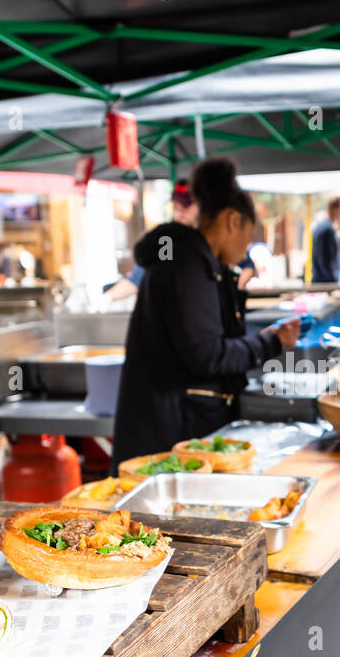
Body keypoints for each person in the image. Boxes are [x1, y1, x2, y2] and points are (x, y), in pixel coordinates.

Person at [111, 158, 300, 466]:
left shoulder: (203, 265)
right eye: (248, 238)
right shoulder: (187, 265)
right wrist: (272, 342)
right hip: (169, 434)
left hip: (177, 425)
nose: (245, 250)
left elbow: (204, 340)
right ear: (232, 220)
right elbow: (207, 355)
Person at [107, 179, 198, 306]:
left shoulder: (212, 237)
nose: (179, 213)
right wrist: (106, 298)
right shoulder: (168, 238)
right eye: (176, 207)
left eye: (185, 207)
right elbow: (139, 277)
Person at [311, 194, 340, 283]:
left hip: (321, 279)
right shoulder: (327, 229)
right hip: (325, 282)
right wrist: (333, 280)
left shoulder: (322, 226)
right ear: (338, 208)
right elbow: (325, 259)